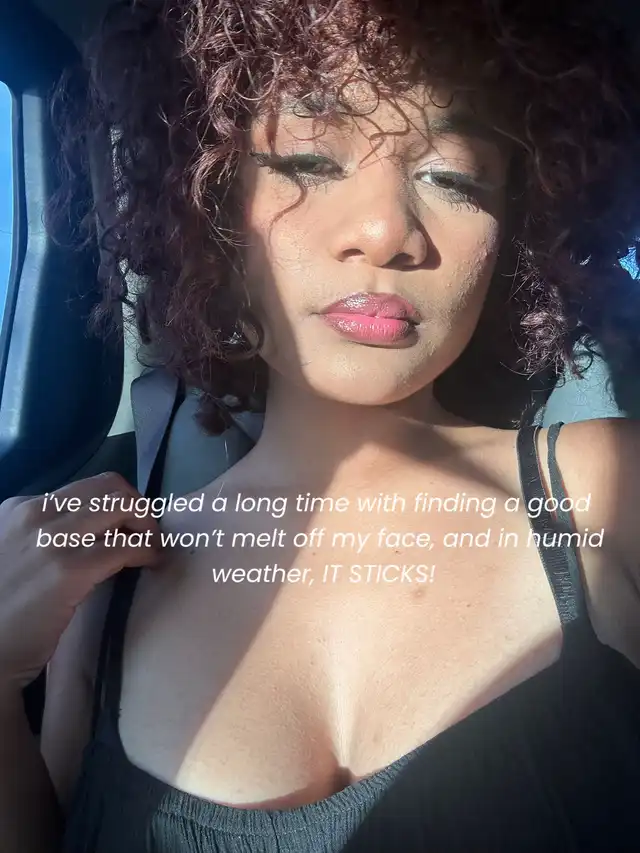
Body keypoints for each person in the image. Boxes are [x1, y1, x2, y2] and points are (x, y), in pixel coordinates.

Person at [2, 0, 640, 850]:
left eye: (454, 177)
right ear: (209, 206)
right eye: (306, 160)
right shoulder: (105, 583)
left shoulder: (611, 494)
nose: (384, 231)